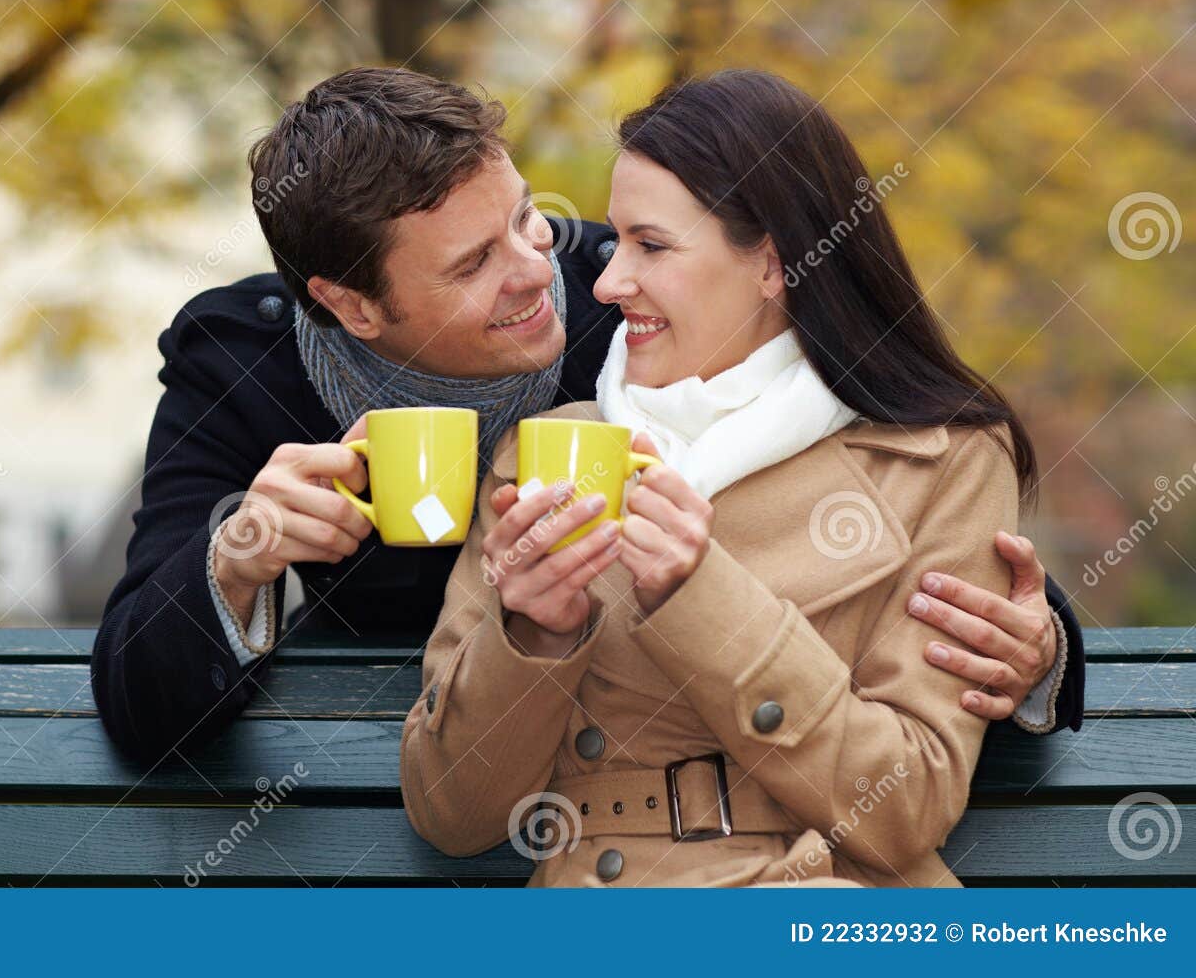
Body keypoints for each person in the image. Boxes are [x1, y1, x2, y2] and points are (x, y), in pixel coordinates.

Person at [90, 67, 1081, 767]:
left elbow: (872, 450)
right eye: (473, 263)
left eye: (524, 216)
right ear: (351, 304)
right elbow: (138, 693)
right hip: (431, 773)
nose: (539, 271)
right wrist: (240, 555)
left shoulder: (624, 292)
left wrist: (1040, 646)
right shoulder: (242, 367)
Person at [400, 68, 1054, 886]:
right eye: (615, 243)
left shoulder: (943, 459)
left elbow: (903, 810)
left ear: (775, 263)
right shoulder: (552, 454)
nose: (605, 283)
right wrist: (533, 633)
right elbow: (450, 814)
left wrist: (701, 593)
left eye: (652, 245)